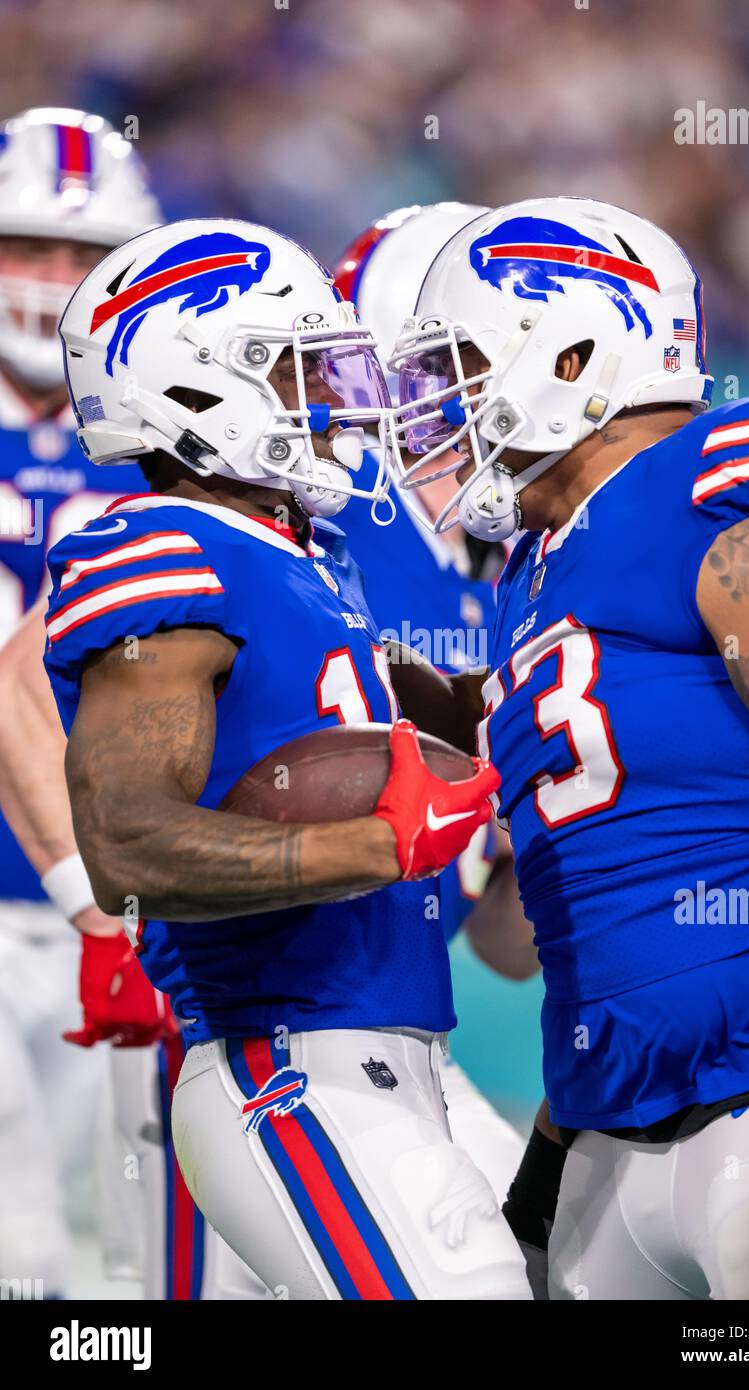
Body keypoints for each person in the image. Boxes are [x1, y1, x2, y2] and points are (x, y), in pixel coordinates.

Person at [41, 215, 532, 1301]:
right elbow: (125, 842)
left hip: (399, 1053)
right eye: (301, 369)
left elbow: (422, 699)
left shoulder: (300, 560)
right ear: (202, 389)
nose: (337, 398)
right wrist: (375, 838)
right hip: (283, 1056)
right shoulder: (158, 544)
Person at [384, 195, 749, 1300]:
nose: (443, 404)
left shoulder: (714, 485)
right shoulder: (531, 575)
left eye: (463, 363)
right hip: (606, 1142)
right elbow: (614, 907)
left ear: (572, 351)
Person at [333, 203, 538, 1207]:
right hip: (290, 1014)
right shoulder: (334, 503)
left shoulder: (508, 566)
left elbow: (503, 949)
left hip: (411, 1021)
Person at [0, 105, 161, 1296]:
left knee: (131, 1260)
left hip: (136, 908)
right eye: (27, 247)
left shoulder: (168, 433)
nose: (53, 282)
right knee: (21, 1258)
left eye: (80, 256)